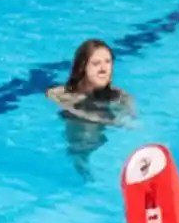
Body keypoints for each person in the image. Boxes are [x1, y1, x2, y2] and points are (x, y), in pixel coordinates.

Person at [45, 39, 136, 180]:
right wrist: (108, 121)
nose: (103, 69)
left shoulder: (121, 97)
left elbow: (131, 118)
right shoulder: (59, 94)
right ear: (82, 67)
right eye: (96, 64)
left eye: (108, 62)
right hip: (78, 139)